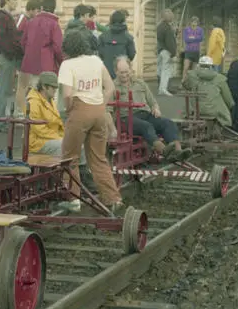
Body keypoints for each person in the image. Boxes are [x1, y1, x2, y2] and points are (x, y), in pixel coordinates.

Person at [58, 31, 124, 213]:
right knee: (98, 158)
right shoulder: (96, 61)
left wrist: (69, 109)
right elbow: (110, 87)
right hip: (99, 113)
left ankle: (73, 200)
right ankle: (113, 198)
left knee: (69, 157)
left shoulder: (67, 64)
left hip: (80, 110)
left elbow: (67, 95)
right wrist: (101, 105)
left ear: (67, 47)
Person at [112, 56, 185, 160]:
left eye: (126, 71)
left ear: (131, 69)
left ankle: (178, 152)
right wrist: (111, 128)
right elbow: (108, 110)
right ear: (116, 71)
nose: (124, 75)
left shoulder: (140, 83)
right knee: (146, 126)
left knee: (168, 123)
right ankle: (165, 151)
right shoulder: (112, 87)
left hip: (145, 114)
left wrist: (156, 108)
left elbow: (152, 101)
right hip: (126, 118)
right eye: (121, 72)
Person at [27, 72, 87, 168]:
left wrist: (65, 136)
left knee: (80, 145)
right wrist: (60, 138)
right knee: (69, 148)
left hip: (49, 139)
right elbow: (39, 129)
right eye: (53, 87)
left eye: (56, 87)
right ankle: (68, 177)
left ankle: (81, 175)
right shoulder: (33, 102)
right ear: (44, 86)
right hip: (38, 143)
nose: (55, 90)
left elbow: (57, 124)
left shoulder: (49, 99)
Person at [20, 0, 63, 110]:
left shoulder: (31, 22)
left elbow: (23, 42)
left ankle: (35, 120)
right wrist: (61, 62)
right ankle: (50, 121)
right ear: (54, 9)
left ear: (42, 7)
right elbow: (57, 48)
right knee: (51, 95)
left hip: (33, 65)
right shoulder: (54, 24)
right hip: (49, 65)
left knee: (35, 93)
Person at [0, 0, 24, 132]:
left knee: (6, 89)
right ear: (6, 0)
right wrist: (11, 52)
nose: (16, 2)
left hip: (10, 56)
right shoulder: (2, 17)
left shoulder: (6, 17)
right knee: (3, 90)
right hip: (8, 57)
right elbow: (0, 39)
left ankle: (1, 120)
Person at [183, 56, 235, 129]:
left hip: (195, 109)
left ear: (199, 65)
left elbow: (185, 85)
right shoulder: (219, 78)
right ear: (211, 66)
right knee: (222, 106)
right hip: (214, 110)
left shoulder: (191, 76)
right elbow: (227, 97)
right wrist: (231, 105)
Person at [15, 0, 43, 115]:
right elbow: (17, 38)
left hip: (25, 57)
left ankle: (22, 111)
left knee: (25, 86)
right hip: (21, 57)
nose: (38, 14)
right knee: (22, 86)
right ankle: (20, 112)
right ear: (31, 9)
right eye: (37, 11)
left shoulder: (28, 20)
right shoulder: (23, 19)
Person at [98, 10, 136, 79]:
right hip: (123, 74)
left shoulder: (102, 37)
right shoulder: (128, 37)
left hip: (106, 73)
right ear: (124, 21)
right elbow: (132, 54)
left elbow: (100, 54)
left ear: (111, 21)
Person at [156, 9, 176, 96]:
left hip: (160, 50)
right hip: (166, 51)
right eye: (171, 16)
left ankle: (161, 88)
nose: (172, 17)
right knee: (165, 71)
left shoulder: (159, 26)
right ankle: (163, 89)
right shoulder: (167, 28)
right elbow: (170, 42)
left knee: (160, 70)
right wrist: (173, 53)